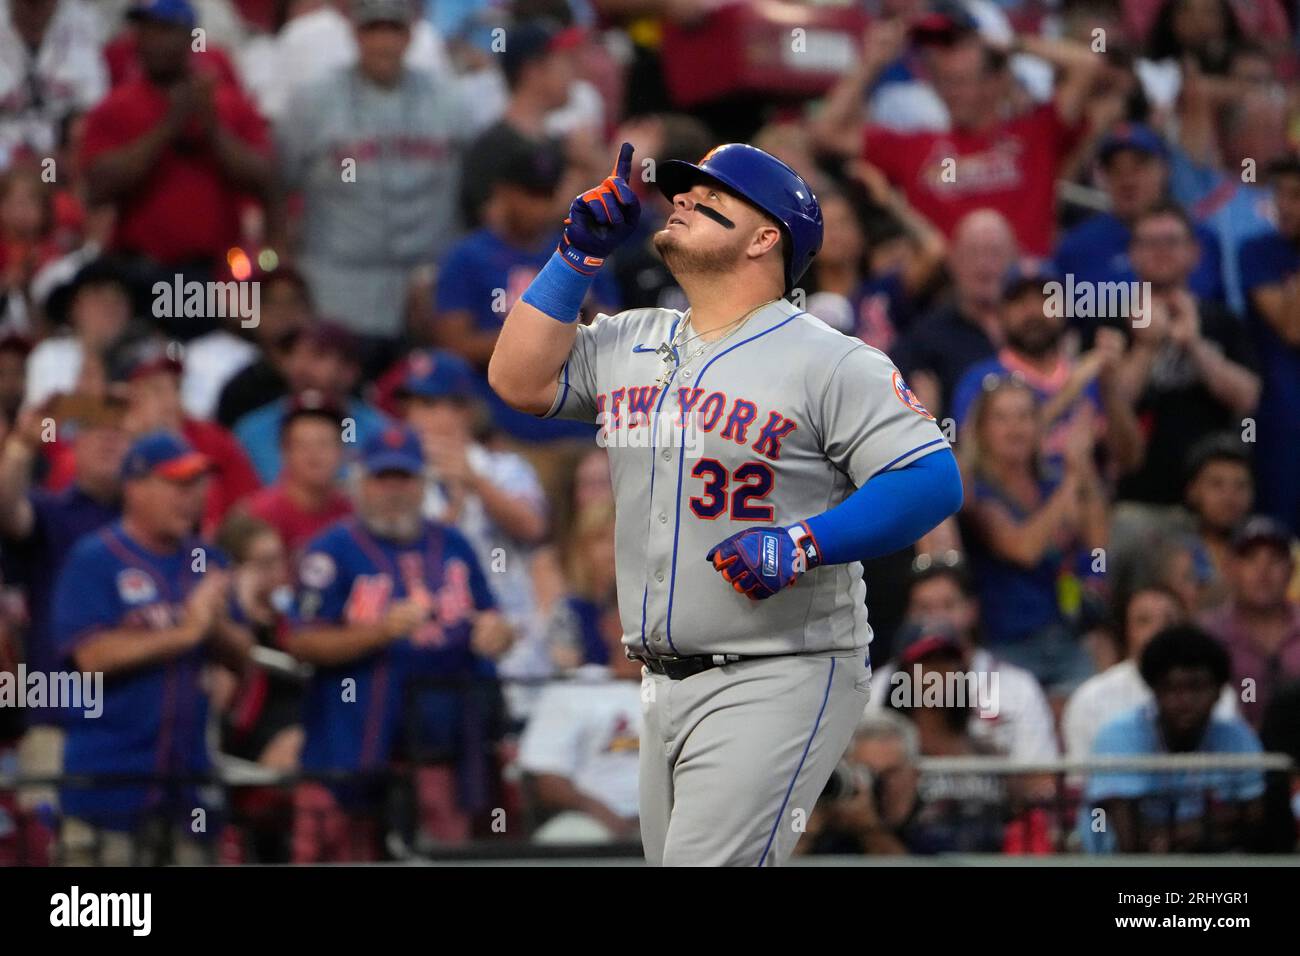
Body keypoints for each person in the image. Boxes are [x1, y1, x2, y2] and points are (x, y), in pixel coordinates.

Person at [489, 142, 963, 866]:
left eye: (709, 194)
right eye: (681, 192)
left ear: (766, 236)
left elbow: (930, 479)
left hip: (781, 669)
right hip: (661, 679)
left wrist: (804, 542)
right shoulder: (632, 338)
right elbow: (517, 380)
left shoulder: (830, 358)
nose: (679, 199)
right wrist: (575, 256)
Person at [286, 424, 513, 862]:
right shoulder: (331, 550)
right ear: (359, 483)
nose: (393, 491)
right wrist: (379, 631)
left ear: (423, 483)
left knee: (445, 856)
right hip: (348, 751)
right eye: (380, 478)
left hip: (441, 753)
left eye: (404, 478)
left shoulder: (453, 544)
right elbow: (303, 641)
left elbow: (492, 619)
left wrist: (497, 633)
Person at [51, 431, 252, 865]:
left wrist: (215, 627)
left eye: (197, 484)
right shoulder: (95, 558)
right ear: (135, 488)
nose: (191, 497)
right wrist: (187, 631)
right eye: (177, 484)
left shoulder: (206, 561)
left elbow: (243, 655)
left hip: (188, 782)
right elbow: (91, 658)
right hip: (108, 782)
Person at [273, 0, 467, 366]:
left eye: (393, 30)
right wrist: (284, 267)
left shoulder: (449, 101)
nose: (383, 42)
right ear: (354, 33)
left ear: (409, 36)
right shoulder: (313, 102)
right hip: (336, 285)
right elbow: (277, 184)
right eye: (372, 29)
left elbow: (475, 192)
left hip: (424, 285)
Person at [812, 24, 1099, 256]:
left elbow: (1087, 65)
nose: (951, 92)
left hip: (1024, 290)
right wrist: (870, 62)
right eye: (944, 81)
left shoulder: (1035, 133)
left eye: (962, 81)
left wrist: (1010, 44)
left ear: (996, 82)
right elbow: (827, 133)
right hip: (946, 297)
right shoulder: (918, 146)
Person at [79, 0, 271, 310]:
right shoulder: (114, 108)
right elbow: (98, 188)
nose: (151, 40)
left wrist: (212, 129)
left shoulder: (227, 103)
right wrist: (169, 125)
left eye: (164, 30)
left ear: (189, 37)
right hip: (139, 272)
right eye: (144, 30)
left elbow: (264, 179)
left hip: (214, 274)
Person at [433, 133, 613, 445]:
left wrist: (575, 321)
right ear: (503, 191)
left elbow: (614, 331)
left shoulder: (581, 249)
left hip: (580, 433)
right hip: (501, 433)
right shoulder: (469, 256)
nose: (540, 207)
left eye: (547, 194)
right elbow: (454, 346)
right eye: (530, 193)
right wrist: (543, 332)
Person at [959, 376, 1106, 694]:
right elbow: (1024, 549)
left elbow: (1096, 544)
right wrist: (1071, 480)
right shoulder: (977, 492)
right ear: (982, 430)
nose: (1015, 428)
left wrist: (1084, 467)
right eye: (1002, 418)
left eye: (1025, 417)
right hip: (1007, 647)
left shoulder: (1050, 484)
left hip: (1065, 639)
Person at [1113, 202, 1259, 505]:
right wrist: (1144, 347)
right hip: (1135, 498)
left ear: (1194, 252)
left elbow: (1247, 398)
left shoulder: (1221, 320)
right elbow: (1108, 405)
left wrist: (1194, 345)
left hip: (1214, 501)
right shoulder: (1109, 320)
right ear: (1132, 254)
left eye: (1171, 242)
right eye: (1149, 243)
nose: (1160, 251)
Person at [1082, 625, 1266, 853]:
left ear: (1219, 691)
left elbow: (1257, 818)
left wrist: (1185, 832)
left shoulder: (1237, 736)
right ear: (1154, 690)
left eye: (1196, 687)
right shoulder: (1118, 736)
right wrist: (1217, 823)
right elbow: (1131, 843)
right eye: (1172, 688)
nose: (1185, 700)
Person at [951, 261, 1144, 473]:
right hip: (1017, 504)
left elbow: (1129, 459)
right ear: (1001, 313)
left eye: (1046, 299)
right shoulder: (981, 379)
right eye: (1020, 301)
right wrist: (1069, 391)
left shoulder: (1091, 375)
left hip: (1091, 499)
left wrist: (1110, 390)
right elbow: (978, 459)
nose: (1033, 311)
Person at [867, 555, 1059, 764]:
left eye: (949, 605)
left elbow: (1040, 779)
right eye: (924, 608)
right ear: (908, 615)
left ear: (971, 610)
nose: (936, 618)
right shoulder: (881, 685)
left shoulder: (1017, 686)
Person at [1054, 124, 1224, 320]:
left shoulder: (1203, 239)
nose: (1127, 179)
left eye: (1139, 165)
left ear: (1165, 169)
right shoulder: (1076, 247)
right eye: (1114, 169)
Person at [517, 598, 642, 845]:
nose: (645, 623)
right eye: (634, 612)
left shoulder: (689, 688)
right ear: (607, 625)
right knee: (564, 837)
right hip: (595, 822)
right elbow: (546, 778)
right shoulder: (576, 688)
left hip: (677, 823)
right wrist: (607, 817)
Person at [1063, 584, 1237, 759]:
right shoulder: (1090, 698)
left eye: (1169, 620)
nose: (1157, 629)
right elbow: (1080, 782)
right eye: (1144, 621)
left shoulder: (1222, 693)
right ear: (1125, 631)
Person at [892, 208, 1016, 418]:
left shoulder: (1036, 328)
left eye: (994, 252)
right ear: (952, 261)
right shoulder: (926, 337)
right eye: (972, 253)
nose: (983, 265)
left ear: (1014, 258)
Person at [232, 321, 388, 483]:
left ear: (349, 371)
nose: (301, 366)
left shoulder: (379, 432)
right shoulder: (253, 431)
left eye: (317, 356)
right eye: (294, 354)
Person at [1238, 153, 1300, 534]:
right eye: (1280, 194)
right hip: (1282, 419)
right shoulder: (1258, 251)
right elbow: (1293, 328)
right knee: (1281, 534)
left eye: (1296, 195)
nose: (1284, 206)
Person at [1199, 516, 1300, 729]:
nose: (1263, 570)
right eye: (1251, 558)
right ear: (1230, 568)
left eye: (1275, 559)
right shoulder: (1207, 634)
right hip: (1232, 754)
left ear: (1291, 569)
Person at [241, 390, 352, 555]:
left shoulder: (351, 514)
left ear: (341, 451)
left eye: (324, 444)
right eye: (302, 445)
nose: (314, 455)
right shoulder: (258, 516)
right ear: (285, 452)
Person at [0, 0, 107, 166]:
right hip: (4, 152)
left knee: (50, 175)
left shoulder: (81, 22)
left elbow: (93, 104)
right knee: (20, 187)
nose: (35, 8)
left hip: (54, 154)